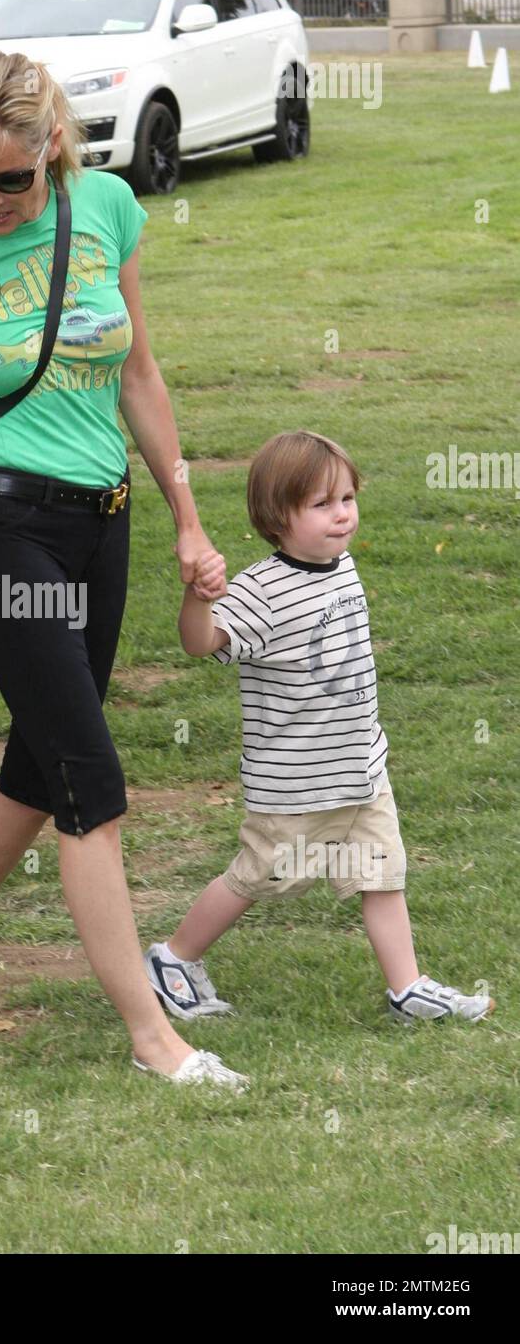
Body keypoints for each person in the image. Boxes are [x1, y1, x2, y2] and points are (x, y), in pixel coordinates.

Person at [0, 50, 247, 1089]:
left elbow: (140, 374)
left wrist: (185, 517)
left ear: (52, 151)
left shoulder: (108, 210)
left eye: (7, 179)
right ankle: (153, 1039)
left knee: (37, 770)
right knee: (89, 784)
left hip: (100, 522)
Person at [147, 430, 495, 1026]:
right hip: (298, 783)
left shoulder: (341, 567)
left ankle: (406, 988)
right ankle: (173, 959)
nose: (342, 515)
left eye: (348, 499)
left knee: (381, 871)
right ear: (276, 517)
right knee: (256, 877)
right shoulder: (262, 590)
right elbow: (199, 643)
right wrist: (198, 598)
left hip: (361, 767)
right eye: (322, 504)